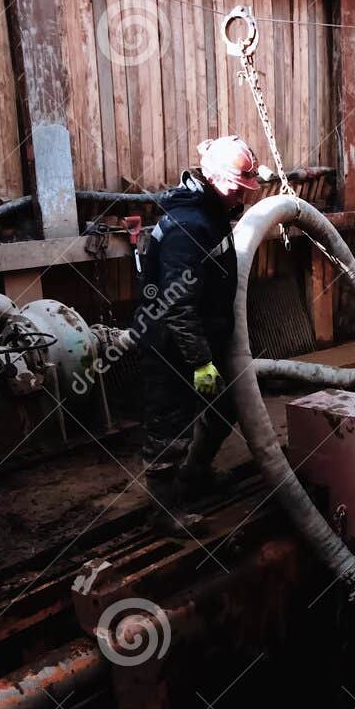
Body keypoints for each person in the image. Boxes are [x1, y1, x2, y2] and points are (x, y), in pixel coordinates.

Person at [135, 135, 260, 527]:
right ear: (216, 180)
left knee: (226, 406)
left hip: (201, 336)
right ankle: (163, 512)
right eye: (238, 188)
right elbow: (177, 304)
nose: (243, 196)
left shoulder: (209, 213)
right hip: (171, 342)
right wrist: (201, 361)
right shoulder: (187, 227)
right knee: (170, 425)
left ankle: (195, 474)